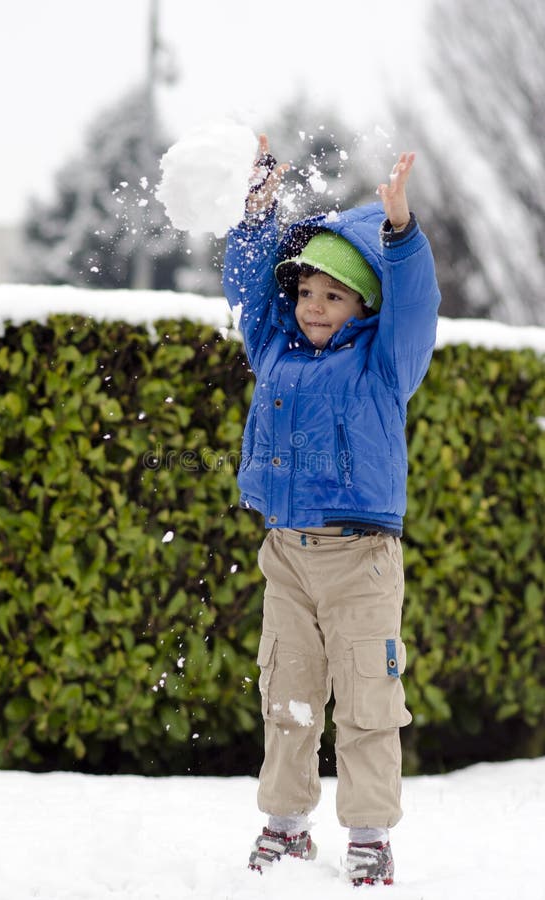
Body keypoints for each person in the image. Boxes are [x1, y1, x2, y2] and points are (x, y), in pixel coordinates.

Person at [222, 135, 441, 885]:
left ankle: (370, 835)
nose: (313, 307)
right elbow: (249, 288)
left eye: (334, 295)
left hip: (361, 558)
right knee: (286, 694)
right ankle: (285, 826)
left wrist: (401, 232)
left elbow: (416, 306)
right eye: (306, 292)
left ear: (364, 304)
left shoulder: (384, 365)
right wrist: (259, 211)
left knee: (368, 701)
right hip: (286, 554)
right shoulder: (273, 350)